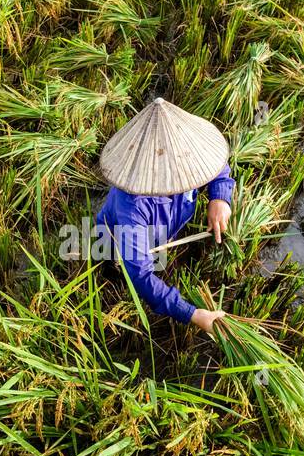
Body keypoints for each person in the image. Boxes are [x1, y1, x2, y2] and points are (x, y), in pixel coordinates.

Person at [93, 97, 235, 333]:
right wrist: (192, 313)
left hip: (161, 234)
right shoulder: (133, 208)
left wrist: (220, 198)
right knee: (118, 269)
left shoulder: (190, 155)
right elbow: (140, 275)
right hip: (115, 240)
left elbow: (218, 167)